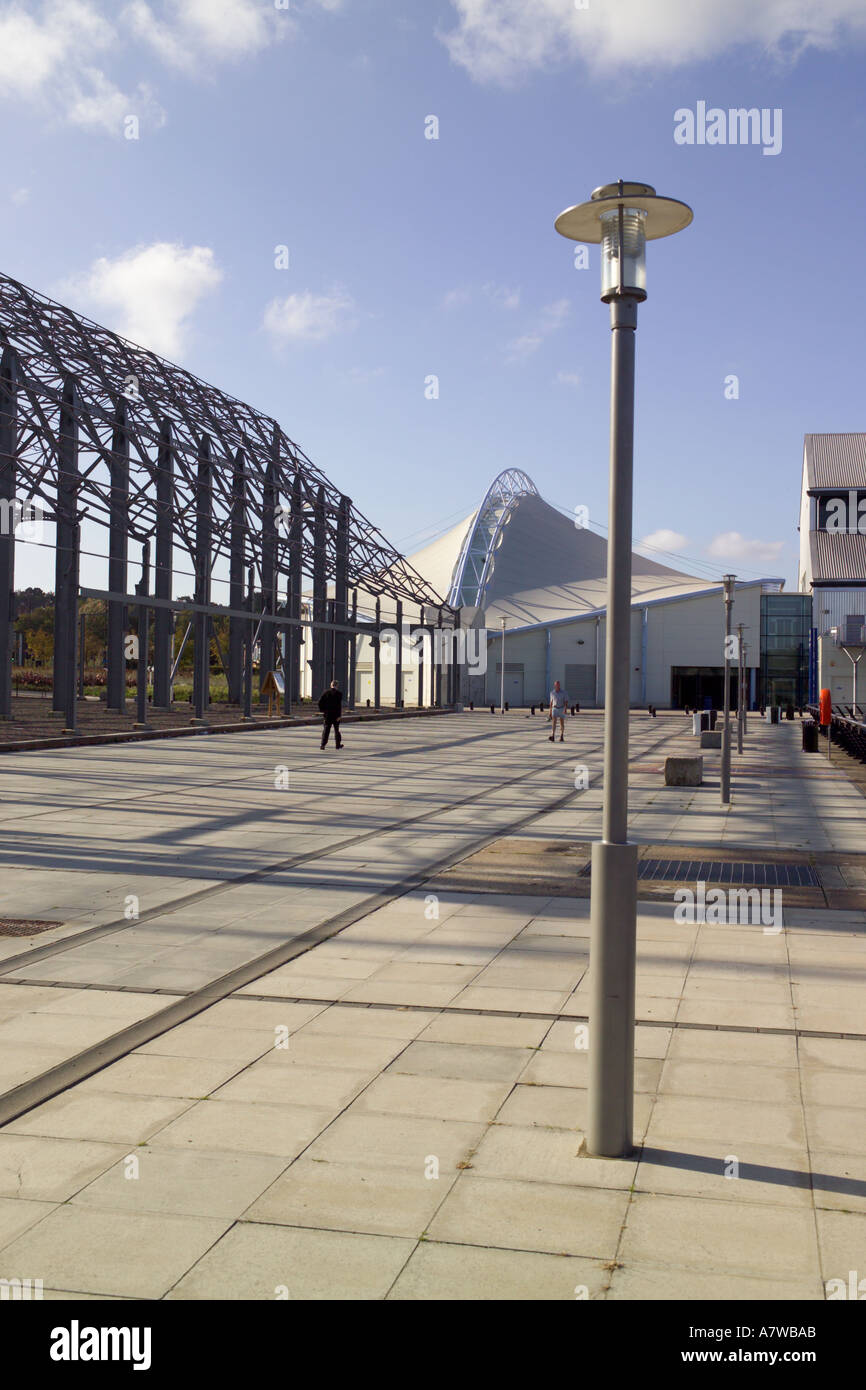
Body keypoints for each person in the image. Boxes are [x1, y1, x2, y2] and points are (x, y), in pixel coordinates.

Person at [318, 679, 343, 750]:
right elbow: (339, 706)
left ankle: (323, 744)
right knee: (336, 730)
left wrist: (323, 710)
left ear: (331, 685)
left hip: (327, 715)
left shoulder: (326, 693)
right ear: (337, 686)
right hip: (336, 715)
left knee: (326, 730)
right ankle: (337, 745)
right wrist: (339, 715)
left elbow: (320, 702)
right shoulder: (339, 694)